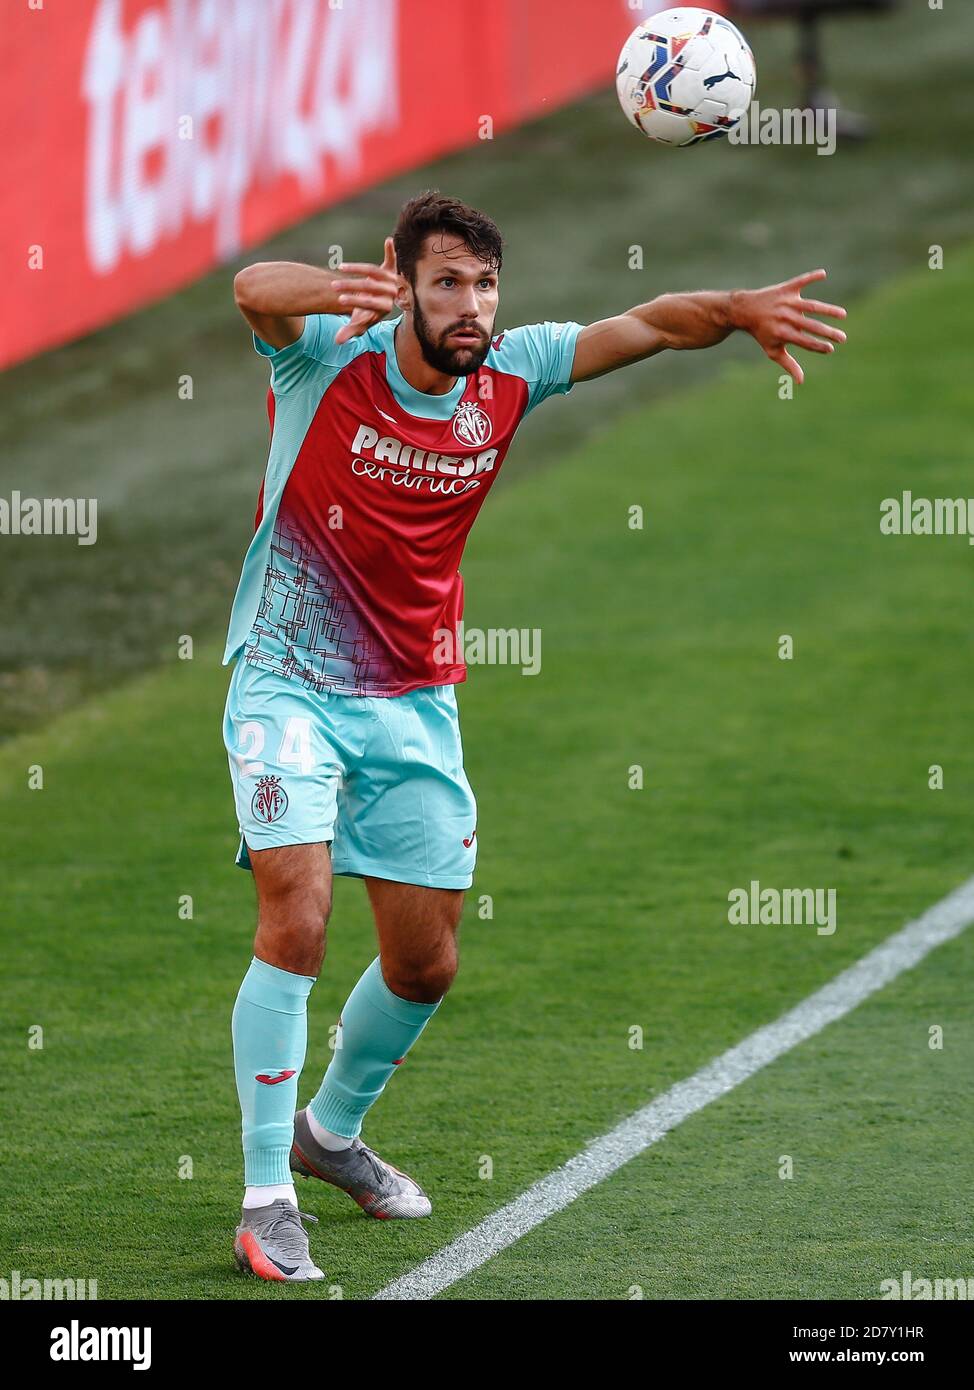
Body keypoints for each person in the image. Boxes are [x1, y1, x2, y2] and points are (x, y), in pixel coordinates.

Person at [224, 190, 847, 1281]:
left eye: (484, 284)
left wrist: (737, 308)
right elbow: (249, 292)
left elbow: (650, 323)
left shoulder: (513, 371)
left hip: (412, 697)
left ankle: (330, 1134)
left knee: (424, 961)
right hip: (286, 683)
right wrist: (334, 292)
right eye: (447, 282)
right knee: (301, 911)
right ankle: (267, 1190)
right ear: (401, 278)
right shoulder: (328, 357)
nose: (470, 307)